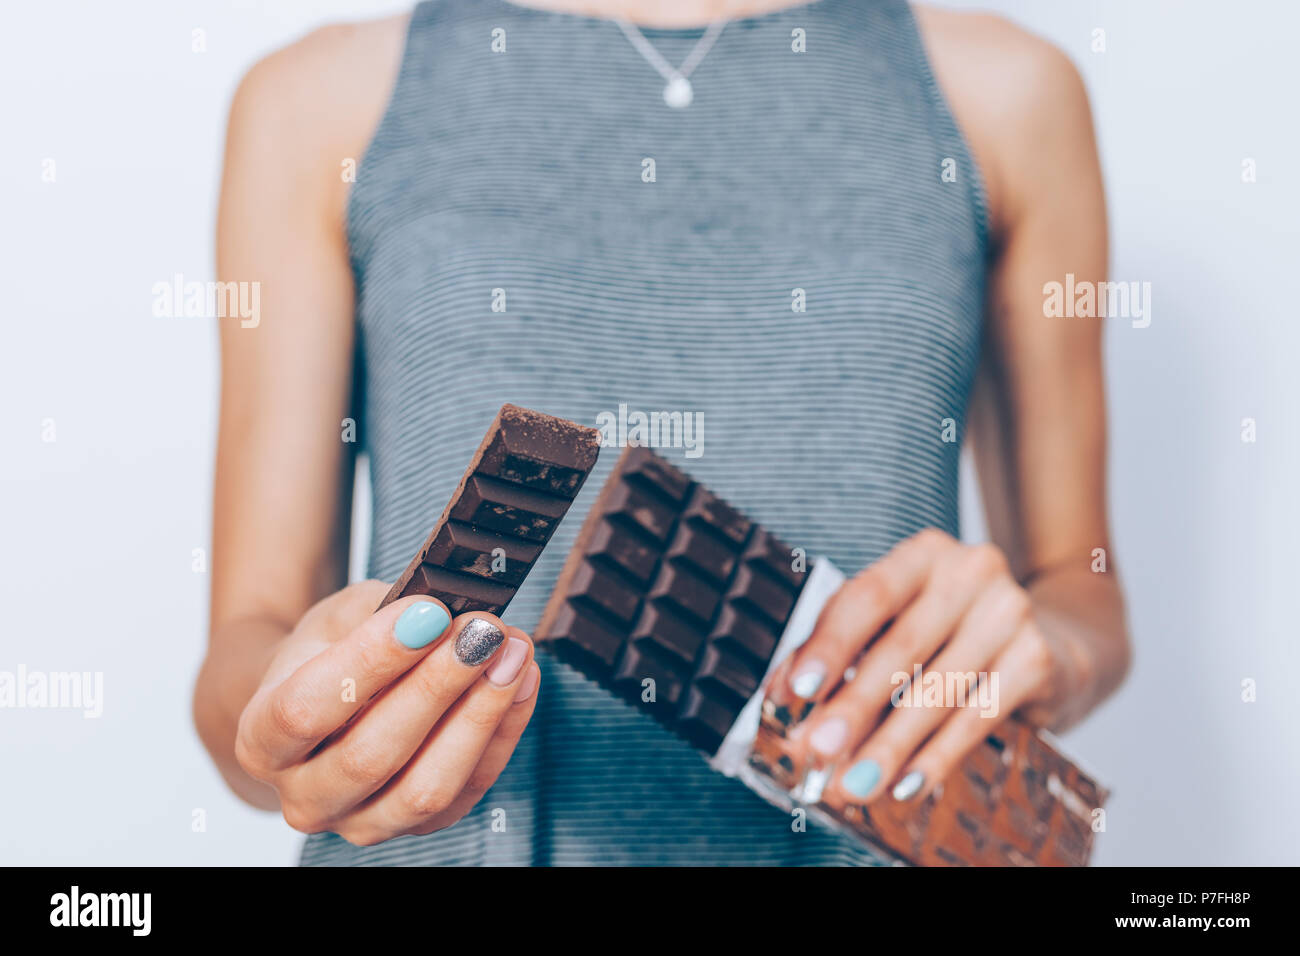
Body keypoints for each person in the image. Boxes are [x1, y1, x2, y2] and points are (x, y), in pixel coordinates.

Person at [194, 0, 1131, 865]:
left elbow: (1082, 596)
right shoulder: (318, 101)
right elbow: (249, 642)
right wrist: (300, 718)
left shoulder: (1007, 93)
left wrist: (1041, 650)